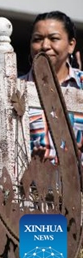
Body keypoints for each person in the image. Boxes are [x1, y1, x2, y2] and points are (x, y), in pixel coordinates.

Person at [20, 11, 83, 162]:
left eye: (54, 38)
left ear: (71, 45)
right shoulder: (16, 87)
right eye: (37, 39)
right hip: (29, 184)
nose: (45, 46)